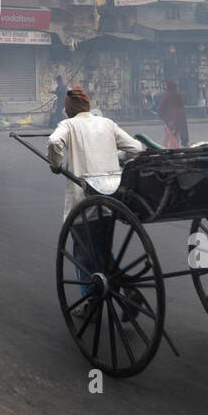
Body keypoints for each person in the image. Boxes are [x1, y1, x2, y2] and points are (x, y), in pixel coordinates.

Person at [47, 87, 144, 318]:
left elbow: (53, 143)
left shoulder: (68, 126)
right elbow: (137, 149)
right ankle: (128, 289)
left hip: (84, 201)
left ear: (69, 109)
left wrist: (55, 164)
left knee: (82, 255)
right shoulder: (107, 123)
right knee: (101, 250)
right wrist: (119, 158)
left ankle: (92, 301)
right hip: (110, 202)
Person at [156, 79, 189, 147]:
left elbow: (160, 109)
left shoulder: (168, 95)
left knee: (170, 136)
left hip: (171, 121)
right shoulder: (178, 94)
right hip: (178, 120)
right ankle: (173, 149)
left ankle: (168, 150)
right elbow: (181, 108)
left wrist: (166, 119)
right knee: (174, 136)